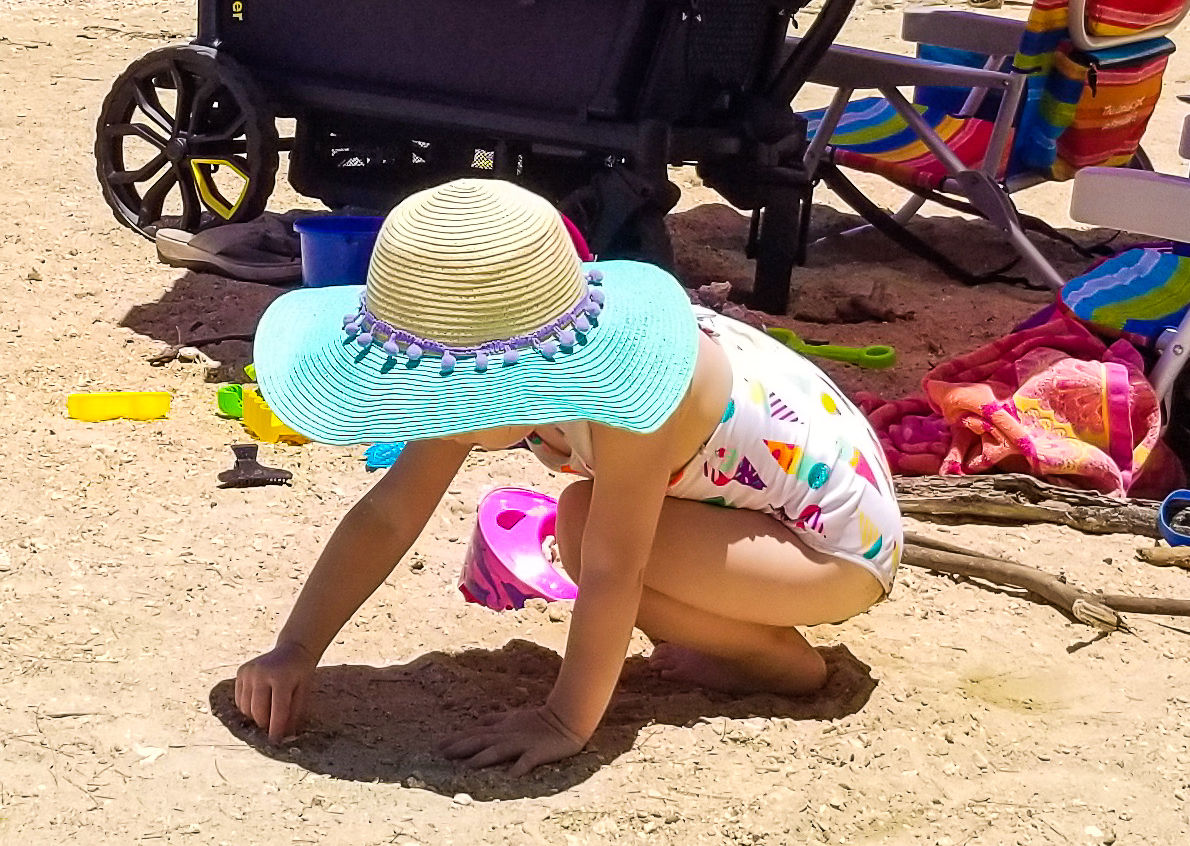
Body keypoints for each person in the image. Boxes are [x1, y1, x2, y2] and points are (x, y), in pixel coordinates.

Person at [233, 179, 900, 771]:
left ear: (512, 378)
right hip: (746, 512)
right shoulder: (533, 353)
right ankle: (733, 632)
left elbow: (616, 568)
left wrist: (564, 720)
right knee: (585, 522)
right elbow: (390, 512)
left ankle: (777, 661)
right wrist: (296, 646)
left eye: (447, 393)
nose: (435, 414)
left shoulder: (632, 391)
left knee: (587, 533)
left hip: (833, 549)